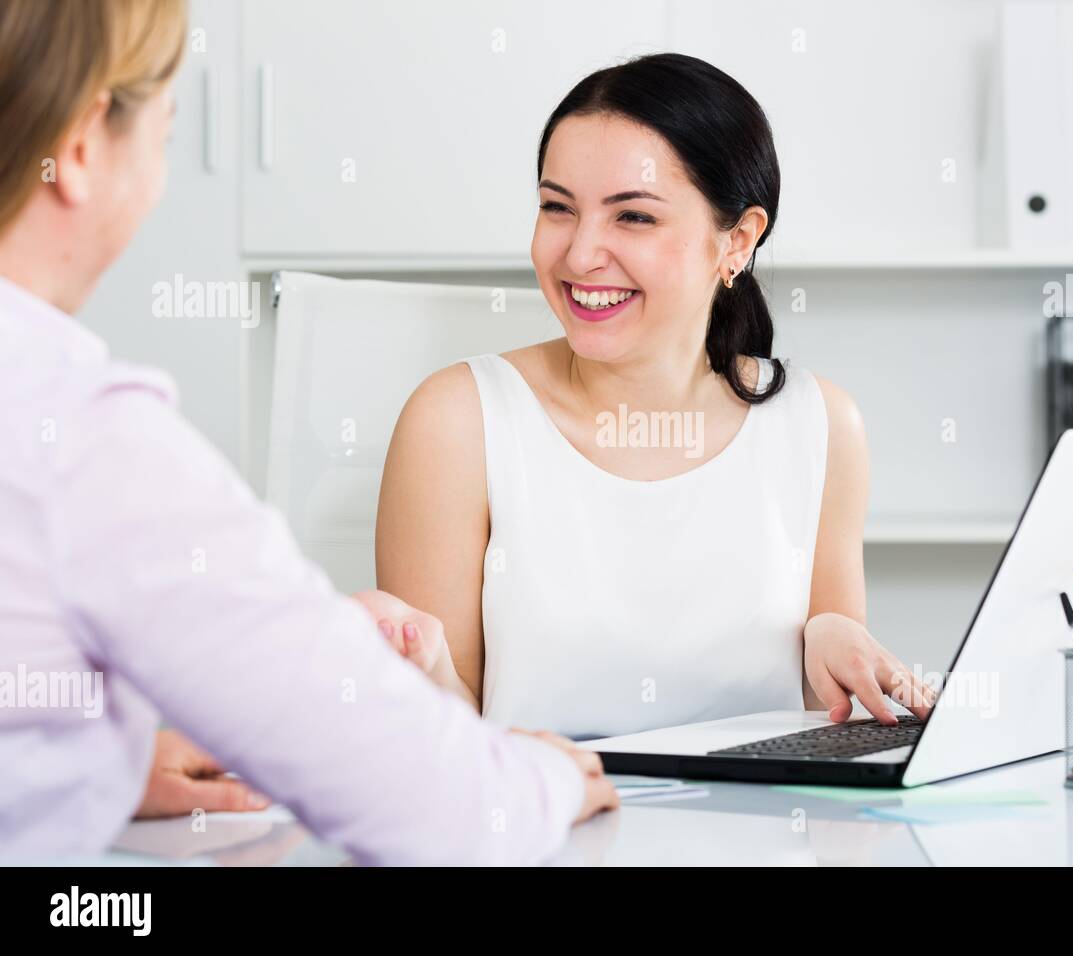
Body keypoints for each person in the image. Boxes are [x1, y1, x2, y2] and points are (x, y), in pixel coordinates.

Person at [0, 0, 615, 865]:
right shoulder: (82, 440)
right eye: (167, 131)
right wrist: (539, 777)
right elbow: (445, 815)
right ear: (80, 144)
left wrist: (91, 765)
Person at [377, 54, 935, 740]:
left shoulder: (821, 426)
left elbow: (828, 735)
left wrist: (828, 638)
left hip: (756, 841)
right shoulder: (457, 421)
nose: (580, 255)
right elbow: (426, 742)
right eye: (557, 208)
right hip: (543, 832)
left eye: (633, 217)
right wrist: (410, 681)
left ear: (736, 240)